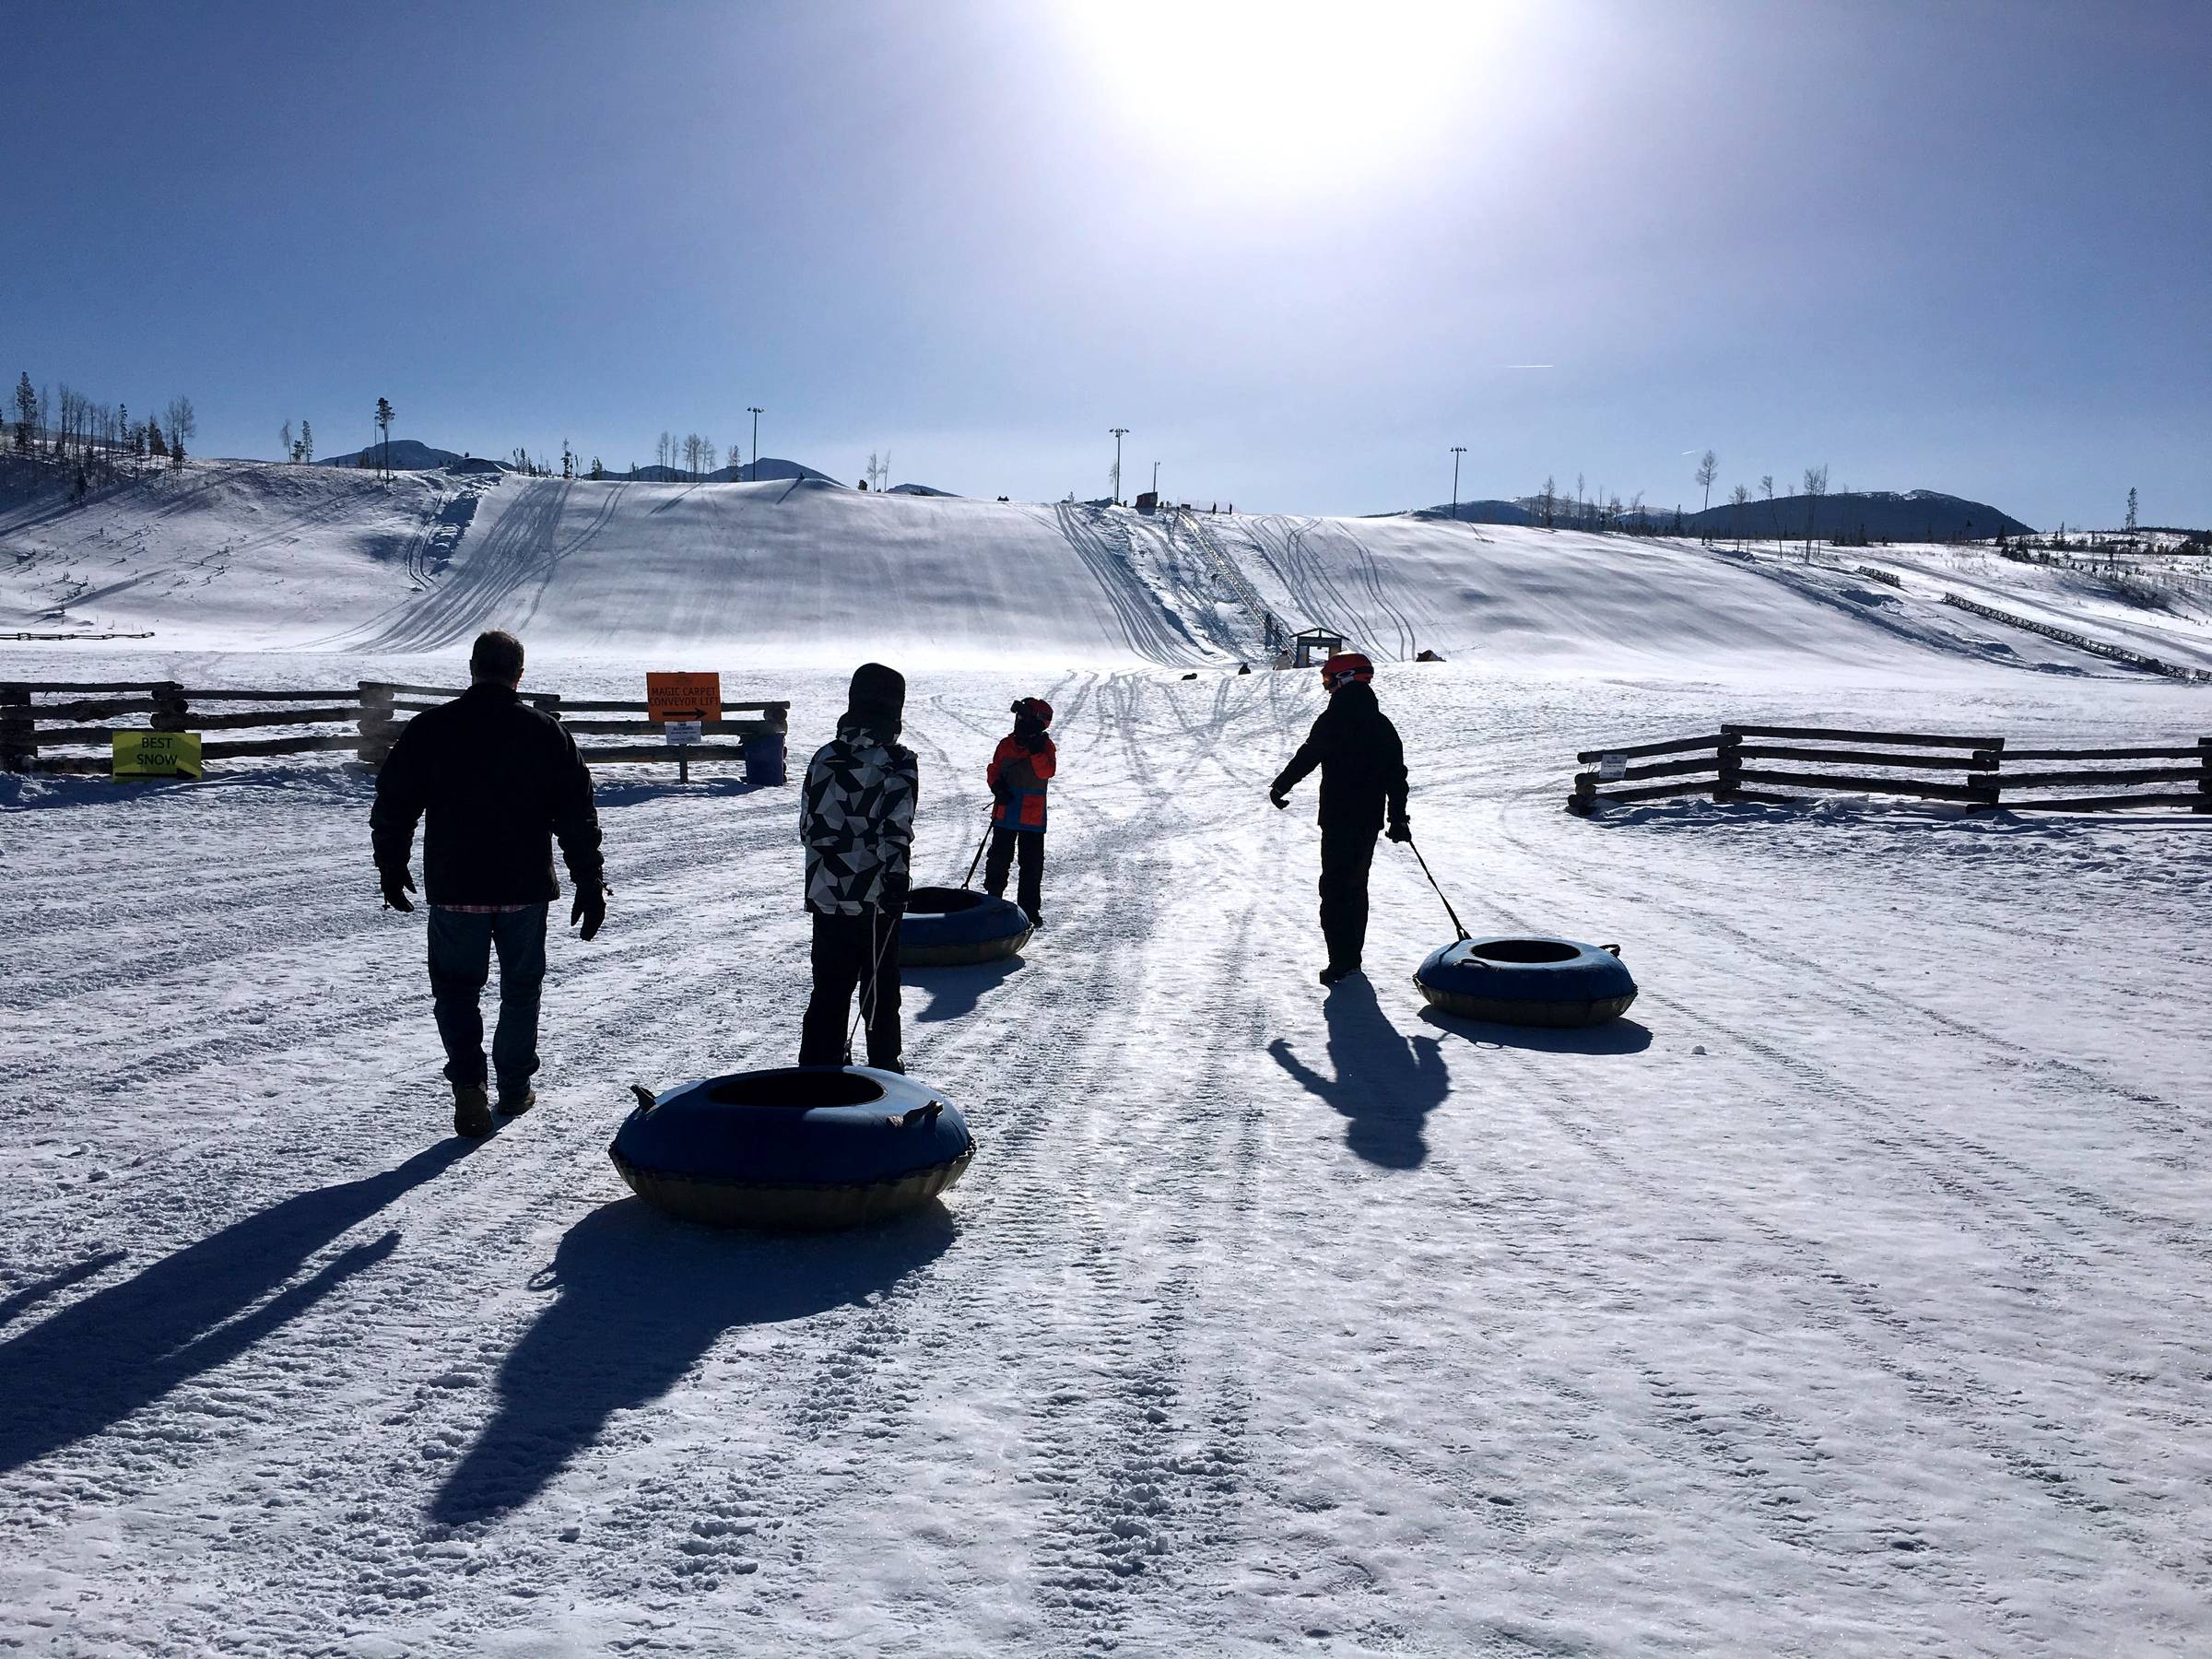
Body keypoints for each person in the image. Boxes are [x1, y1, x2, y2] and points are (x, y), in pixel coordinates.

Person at [371, 629, 606, 1138]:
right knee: (520, 990)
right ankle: (515, 1088)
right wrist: (589, 880)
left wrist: (391, 864)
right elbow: (576, 814)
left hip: (456, 887)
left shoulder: (431, 729)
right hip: (523, 889)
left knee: (456, 992)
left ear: (472, 667)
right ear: (519, 674)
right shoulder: (546, 732)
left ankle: (468, 1087)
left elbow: (394, 803)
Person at [798, 662, 917, 1071]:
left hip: (827, 893)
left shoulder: (824, 757)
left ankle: (816, 1075)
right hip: (873, 897)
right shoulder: (895, 761)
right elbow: (894, 829)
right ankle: (886, 1076)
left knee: (828, 992)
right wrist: (896, 879)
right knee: (880, 992)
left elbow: (808, 825)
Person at [1268, 652, 1409, 986]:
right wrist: (1397, 818)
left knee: (1334, 890)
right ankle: (1351, 959)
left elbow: (1309, 754)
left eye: (1328, 679)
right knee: (1356, 887)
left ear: (1345, 678)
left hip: (1337, 818)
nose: (1326, 686)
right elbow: (1396, 775)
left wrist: (1281, 785)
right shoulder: (1381, 723)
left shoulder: (1334, 719)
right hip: (1368, 820)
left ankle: (1341, 962)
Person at [984, 697, 1055, 927]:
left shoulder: (1045, 747)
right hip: (1005, 815)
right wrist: (996, 787)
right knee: (997, 862)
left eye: (1023, 717)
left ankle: (1029, 912)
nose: (1018, 721)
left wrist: (1035, 752)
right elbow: (994, 769)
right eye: (1018, 717)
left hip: (1032, 820)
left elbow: (1047, 772)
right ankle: (992, 904)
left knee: (1031, 867)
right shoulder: (1006, 745)